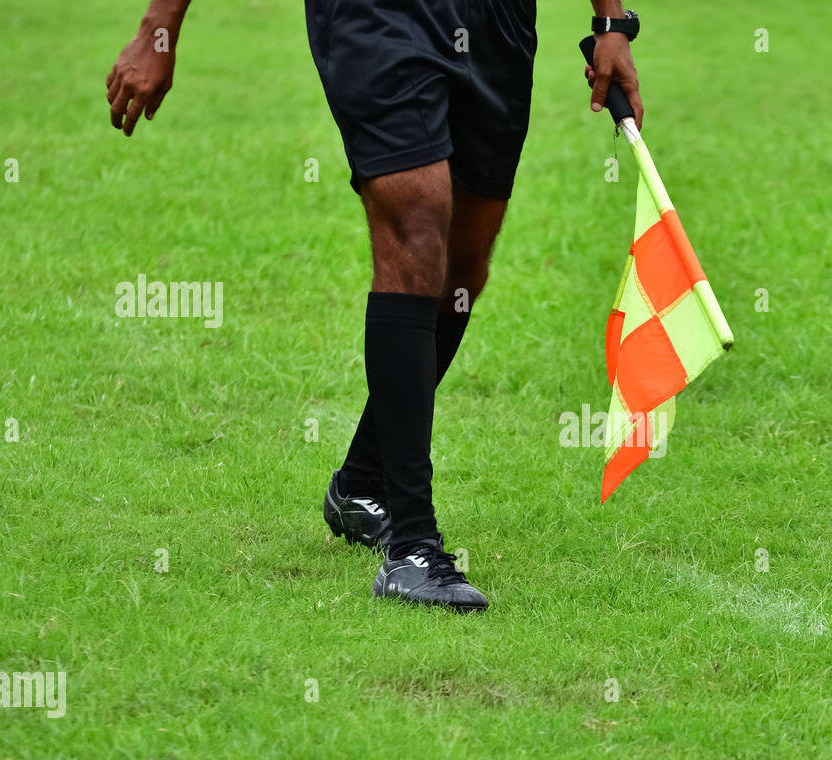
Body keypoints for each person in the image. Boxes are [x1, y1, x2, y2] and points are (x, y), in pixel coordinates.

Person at [107, 1, 645, 611]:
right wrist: (160, 28)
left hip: (498, 21)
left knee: (463, 267)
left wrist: (611, 23)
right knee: (416, 238)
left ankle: (361, 483)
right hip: (379, 13)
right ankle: (412, 548)